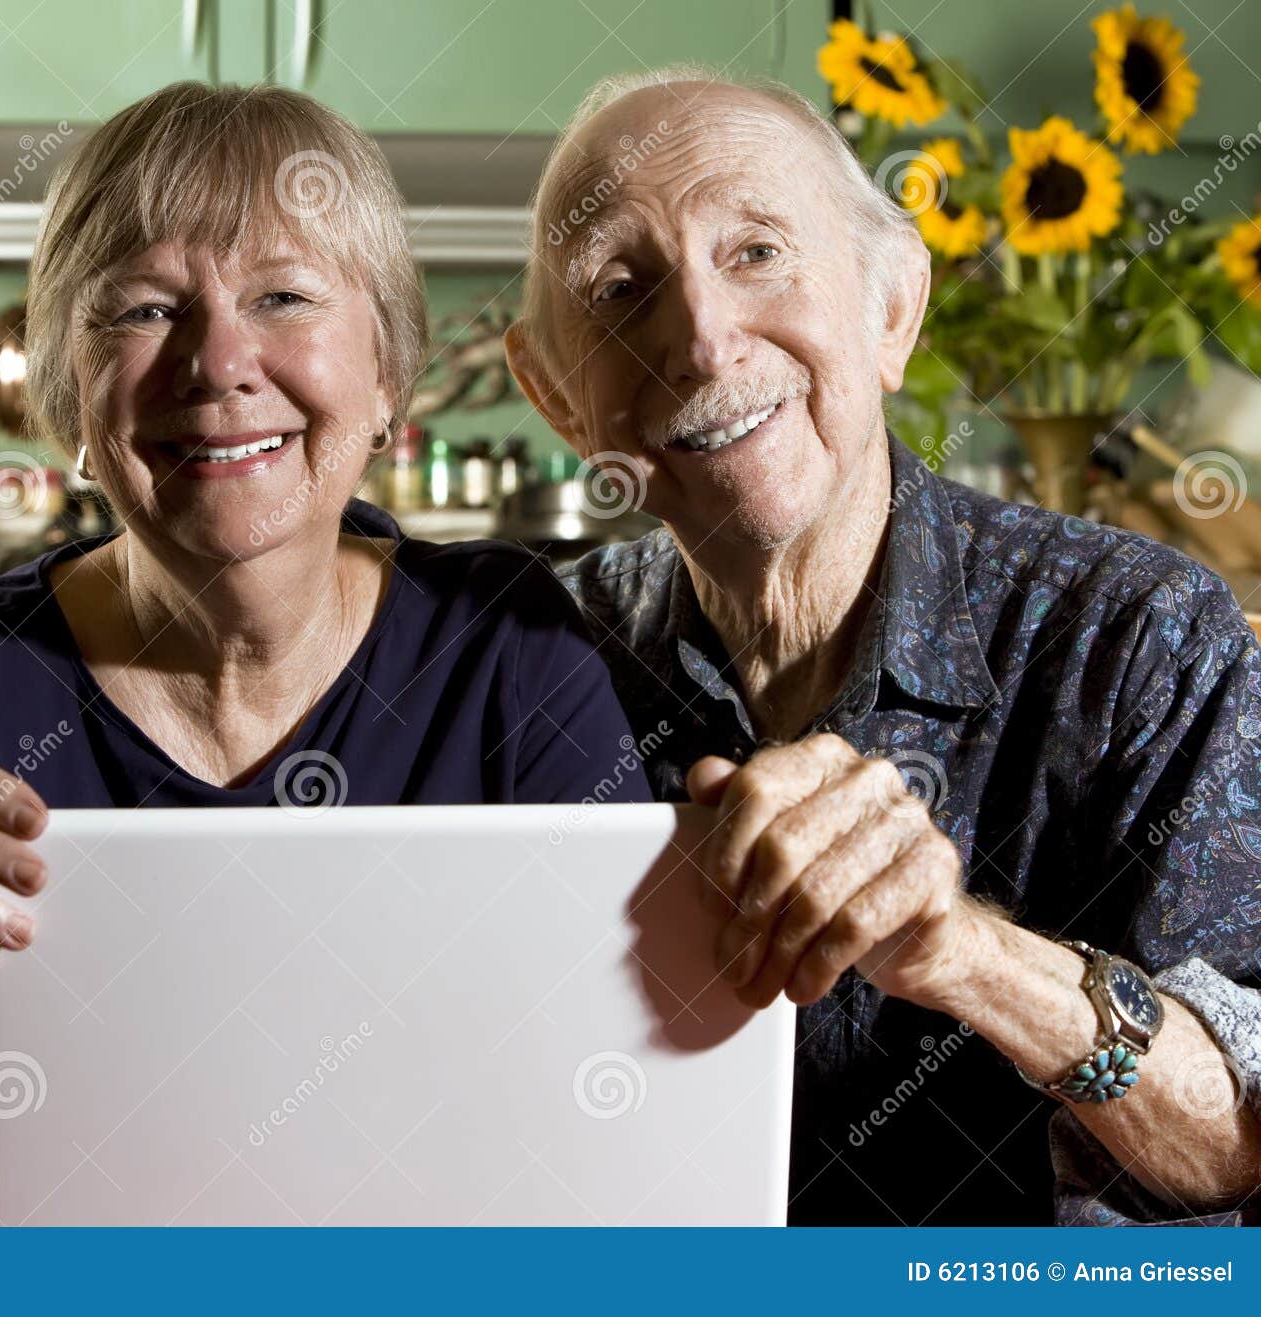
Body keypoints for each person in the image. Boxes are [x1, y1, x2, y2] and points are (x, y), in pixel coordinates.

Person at [0, 82, 646, 1225]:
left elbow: (614, 1109)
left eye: (284, 295)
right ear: (74, 398)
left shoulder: (506, 650)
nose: (217, 363)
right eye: (139, 311)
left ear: (387, 374)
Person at [504, 67, 1261, 1226]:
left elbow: (1240, 1145)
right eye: (619, 286)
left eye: (755, 251)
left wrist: (961, 953)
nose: (702, 340)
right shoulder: (520, 664)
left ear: (891, 307)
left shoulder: (1137, 635)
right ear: (556, 395)